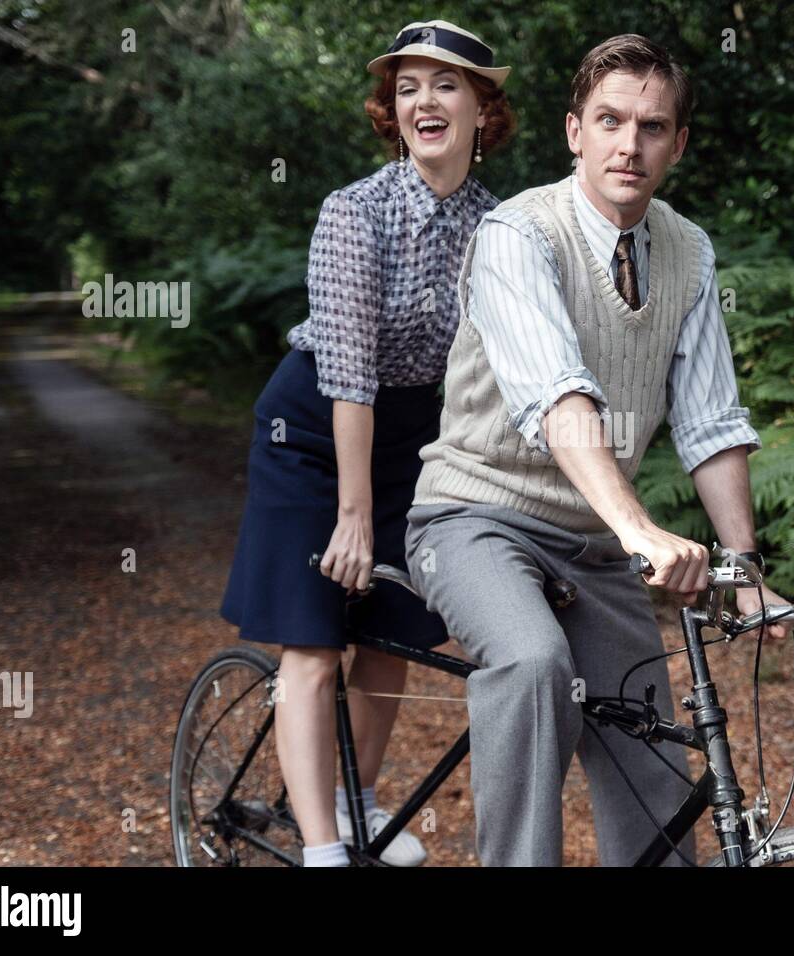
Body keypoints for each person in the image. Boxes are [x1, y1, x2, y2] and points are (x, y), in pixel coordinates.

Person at [404, 34, 794, 866]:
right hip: (474, 518)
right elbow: (559, 400)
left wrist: (745, 567)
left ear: (678, 145)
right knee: (535, 664)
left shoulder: (688, 252)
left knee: (654, 765)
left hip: (593, 542)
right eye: (610, 120)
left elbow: (712, 422)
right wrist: (642, 530)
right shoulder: (519, 235)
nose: (630, 143)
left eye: (653, 127)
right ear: (574, 130)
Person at [219, 19, 514, 867]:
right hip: (315, 429)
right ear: (392, 109)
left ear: (482, 109)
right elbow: (350, 375)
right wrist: (352, 517)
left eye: (446, 83)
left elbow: (496, 380)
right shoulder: (353, 212)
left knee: (396, 636)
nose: (423, 99)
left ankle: (357, 803)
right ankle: (321, 851)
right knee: (314, 642)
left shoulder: (502, 228)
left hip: (416, 435)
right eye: (406, 86)